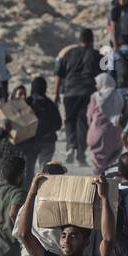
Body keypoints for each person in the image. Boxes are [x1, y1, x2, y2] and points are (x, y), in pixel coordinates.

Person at [54, 28, 101, 165]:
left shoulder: (69, 54)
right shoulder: (97, 55)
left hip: (69, 92)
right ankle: (80, 155)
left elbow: (58, 74)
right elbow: (106, 74)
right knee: (83, 123)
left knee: (69, 120)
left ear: (79, 40)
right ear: (92, 40)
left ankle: (71, 146)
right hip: (87, 92)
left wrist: (56, 94)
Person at [24, 77, 63, 187]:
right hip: (48, 141)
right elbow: (58, 124)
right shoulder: (50, 104)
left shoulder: (28, 102)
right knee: (45, 170)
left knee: (28, 170)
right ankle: (42, 192)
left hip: (30, 142)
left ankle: (28, 193)